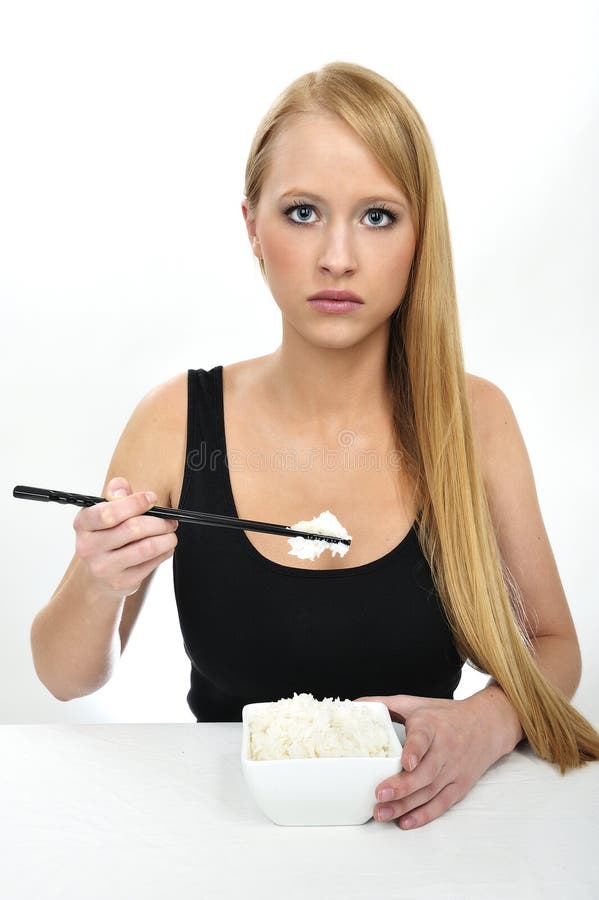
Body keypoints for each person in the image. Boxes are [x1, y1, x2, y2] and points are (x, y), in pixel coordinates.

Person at [30, 60, 599, 830]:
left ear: (419, 234)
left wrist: (489, 722)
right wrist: (98, 581)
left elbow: (553, 643)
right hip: (229, 837)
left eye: (376, 216)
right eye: (302, 213)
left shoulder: (475, 419)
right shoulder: (178, 422)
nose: (337, 256)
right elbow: (66, 679)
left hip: (432, 844)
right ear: (252, 229)